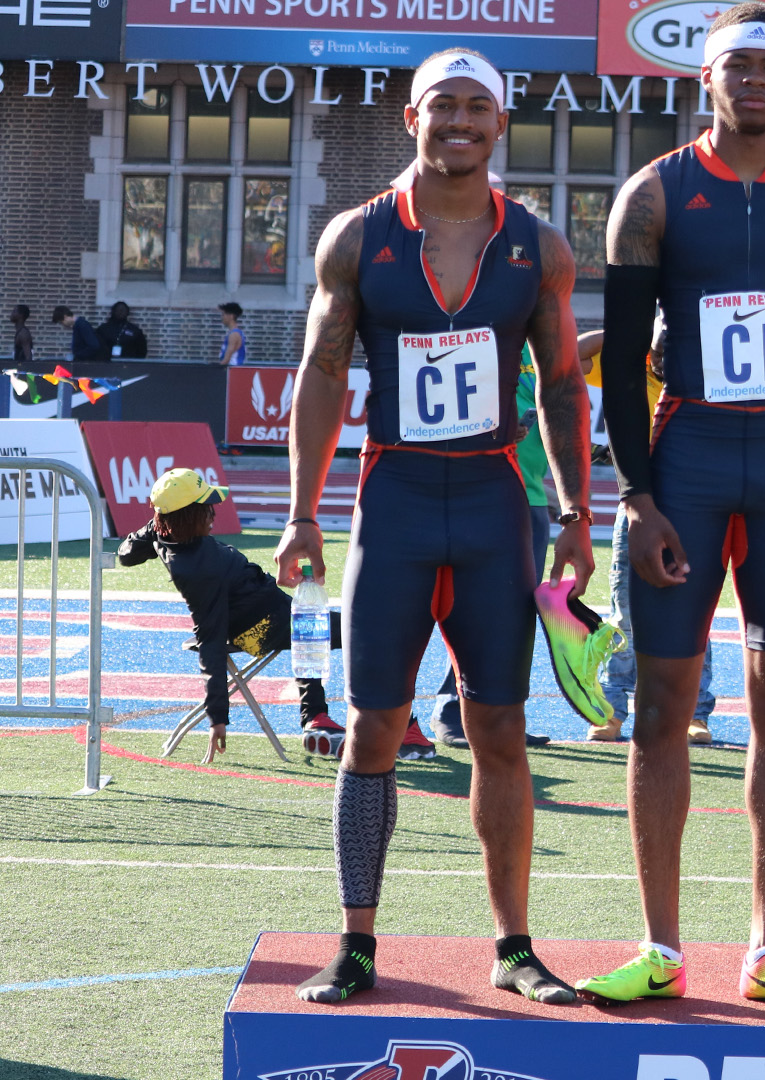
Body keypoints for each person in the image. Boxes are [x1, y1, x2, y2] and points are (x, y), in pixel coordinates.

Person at [271, 48, 596, 1007]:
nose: (459, 122)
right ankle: (358, 943)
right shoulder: (358, 238)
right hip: (397, 500)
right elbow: (323, 373)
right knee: (374, 724)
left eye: (477, 109)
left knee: (500, 725)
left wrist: (577, 512)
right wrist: (299, 513)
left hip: (498, 506)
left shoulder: (538, 245)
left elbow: (565, 386)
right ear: (410, 116)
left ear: (501, 125)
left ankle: (514, 945)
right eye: (441, 106)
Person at [576, 2, 765, 1012]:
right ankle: (659, 945)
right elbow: (619, 362)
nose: (752, 80)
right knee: (660, 713)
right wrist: (637, 496)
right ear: (705, 79)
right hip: (687, 460)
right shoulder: (653, 196)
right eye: (734, 65)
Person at [120, 469, 343, 764]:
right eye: (206, 507)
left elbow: (125, 554)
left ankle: (315, 715)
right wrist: (217, 718)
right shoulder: (200, 569)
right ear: (187, 516)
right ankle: (347, 719)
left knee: (311, 622)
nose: (214, 513)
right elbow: (210, 642)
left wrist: (155, 527)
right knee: (355, 631)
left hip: (270, 611)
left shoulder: (165, 535)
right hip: (263, 626)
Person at [426, 339, 570, 751]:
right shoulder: (486, 334)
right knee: (474, 612)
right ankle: (450, 707)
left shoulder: (536, 345)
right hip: (486, 493)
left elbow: (573, 355)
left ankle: (503, 714)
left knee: (516, 620)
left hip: (532, 499)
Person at [596, 317, 721, 746]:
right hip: (636, 507)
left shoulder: (706, 381)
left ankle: (694, 711)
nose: (665, 358)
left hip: (697, 506)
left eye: (675, 347)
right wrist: (626, 335)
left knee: (695, 614)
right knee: (624, 610)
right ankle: (611, 709)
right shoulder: (630, 367)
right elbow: (572, 354)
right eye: (659, 348)